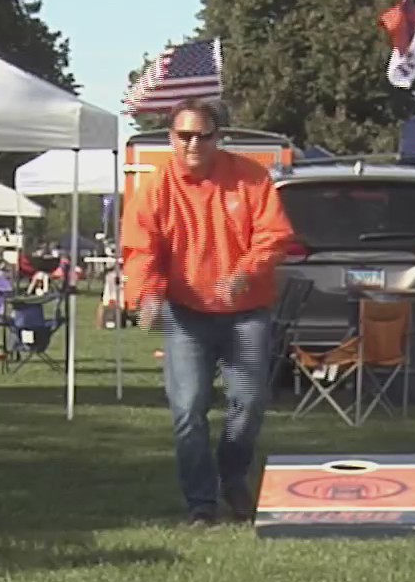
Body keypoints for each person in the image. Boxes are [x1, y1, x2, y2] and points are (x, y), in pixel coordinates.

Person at [121, 98, 296, 525]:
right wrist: (147, 295)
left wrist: (244, 274)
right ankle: (201, 502)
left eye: (203, 135)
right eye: (185, 136)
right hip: (187, 315)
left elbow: (273, 236)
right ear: (171, 138)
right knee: (187, 409)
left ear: (219, 138)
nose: (194, 144)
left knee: (249, 403)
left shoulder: (251, 177)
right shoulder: (156, 188)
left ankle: (232, 477)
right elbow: (142, 250)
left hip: (246, 312)